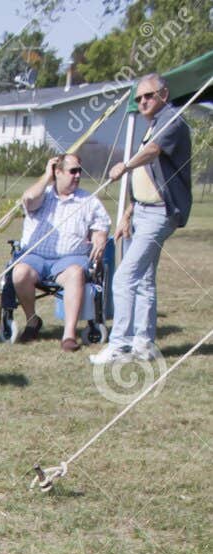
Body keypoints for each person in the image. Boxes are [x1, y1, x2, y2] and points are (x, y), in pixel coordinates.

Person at [91, 72, 192, 364]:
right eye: (138, 98)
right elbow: (148, 175)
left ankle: (119, 345)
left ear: (163, 94)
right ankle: (144, 344)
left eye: (148, 95)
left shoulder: (172, 119)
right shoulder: (153, 124)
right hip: (143, 210)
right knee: (145, 279)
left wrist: (124, 165)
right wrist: (128, 212)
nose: (142, 101)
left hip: (161, 213)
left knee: (124, 277)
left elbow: (152, 152)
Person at [12, 154, 110, 351]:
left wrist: (100, 237)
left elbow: (101, 226)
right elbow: (28, 199)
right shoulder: (43, 195)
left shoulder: (88, 200)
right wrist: (47, 176)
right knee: (19, 272)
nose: (77, 175)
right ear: (58, 172)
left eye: (79, 171)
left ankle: (69, 335)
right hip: (36, 257)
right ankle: (32, 321)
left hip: (70, 259)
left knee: (75, 273)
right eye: (72, 171)